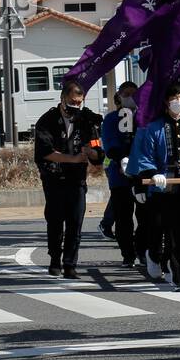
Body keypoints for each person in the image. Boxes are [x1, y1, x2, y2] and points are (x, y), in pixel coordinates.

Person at [127, 83, 180, 291]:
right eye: (175, 98)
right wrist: (152, 173)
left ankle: (172, 265)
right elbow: (145, 156)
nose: (179, 102)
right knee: (168, 232)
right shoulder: (154, 128)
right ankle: (179, 276)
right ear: (166, 101)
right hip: (163, 188)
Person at [33, 80, 103, 278]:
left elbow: (98, 153)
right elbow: (44, 152)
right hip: (54, 178)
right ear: (62, 98)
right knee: (55, 221)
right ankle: (55, 259)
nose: (75, 106)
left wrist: (92, 153)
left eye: (79, 103)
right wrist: (71, 159)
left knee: (75, 222)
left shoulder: (86, 121)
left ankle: (70, 264)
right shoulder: (47, 120)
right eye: (72, 101)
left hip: (77, 180)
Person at [100, 82, 144, 268]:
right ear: (119, 96)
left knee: (144, 216)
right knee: (123, 217)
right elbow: (109, 145)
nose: (130, 97)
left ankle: (143, 251)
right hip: (119, 174)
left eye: (134, 94)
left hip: (143, 174)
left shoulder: (144, 117)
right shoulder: (111, 119)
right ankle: (128, 254)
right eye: (126, 94)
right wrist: (121, 158)